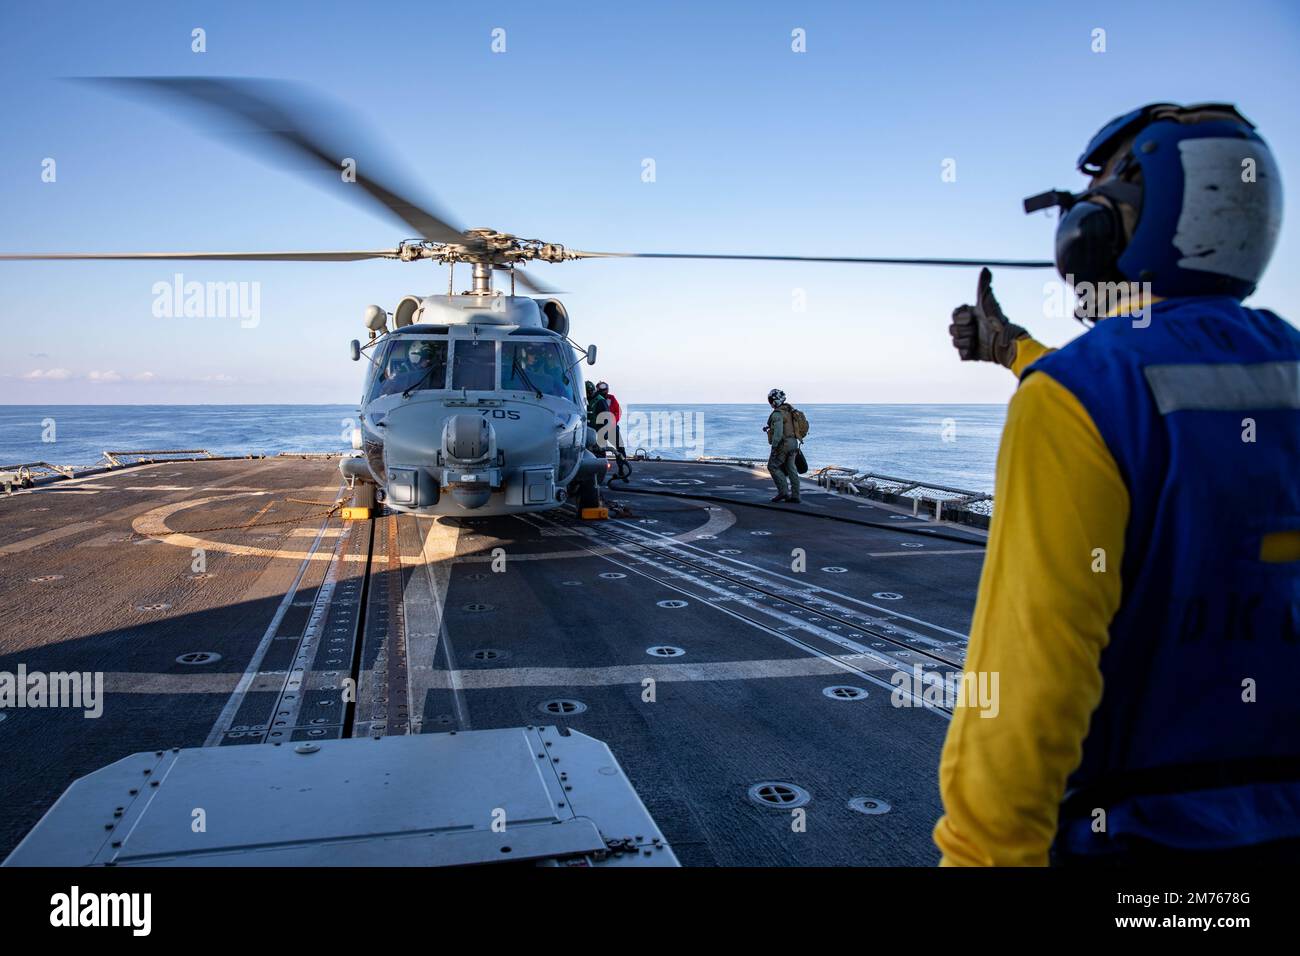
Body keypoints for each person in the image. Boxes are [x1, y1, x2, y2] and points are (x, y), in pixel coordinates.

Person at [934, 103, 1299, 865]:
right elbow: (1158, 402)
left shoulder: (1077, 399)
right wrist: (1015, 351)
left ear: (1099, 233)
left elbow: (1025, 696)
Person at [764, 388, 801, 503]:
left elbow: (778, 433)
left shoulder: (777, 414)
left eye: (771, 400)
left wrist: (774, 446)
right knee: (791, 469)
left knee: (772, 466)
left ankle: (783, 492)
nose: (770, 403)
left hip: (783, 445)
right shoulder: (790, 410)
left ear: (775, 401)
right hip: (794, 443)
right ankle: (795, 496)